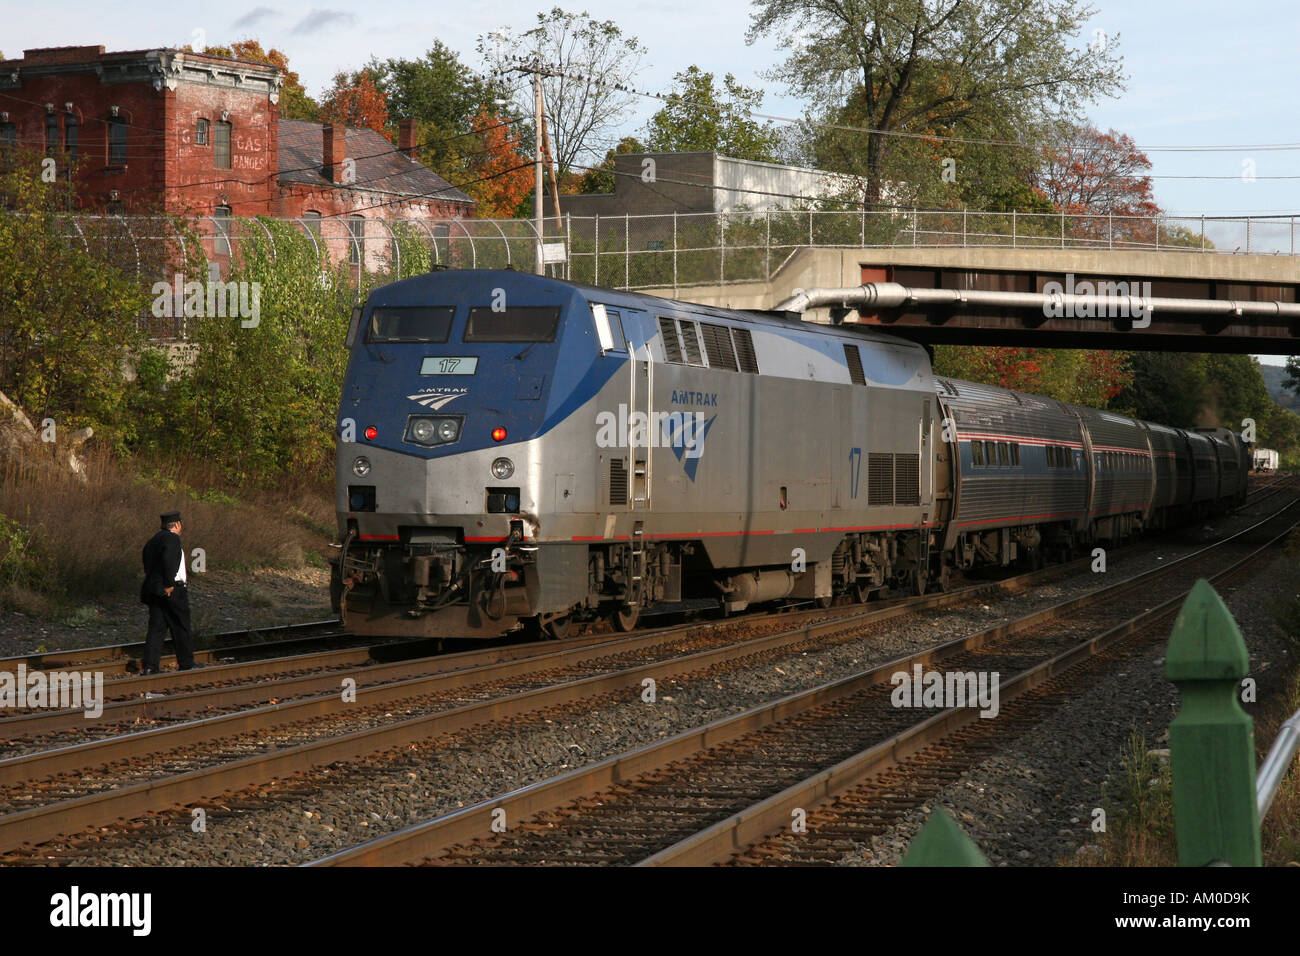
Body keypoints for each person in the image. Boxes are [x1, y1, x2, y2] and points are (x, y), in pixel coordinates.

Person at [139, 511, 202, 674]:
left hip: (153, 589)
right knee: (181, 626)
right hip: (172, 589)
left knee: (156, 629)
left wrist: (157, 583)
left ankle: (150, 666)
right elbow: (169, 561)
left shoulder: (153, 540)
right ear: (177, 524)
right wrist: (168, 584)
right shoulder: (172, 539)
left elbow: (147, 563)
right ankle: (187, 663)